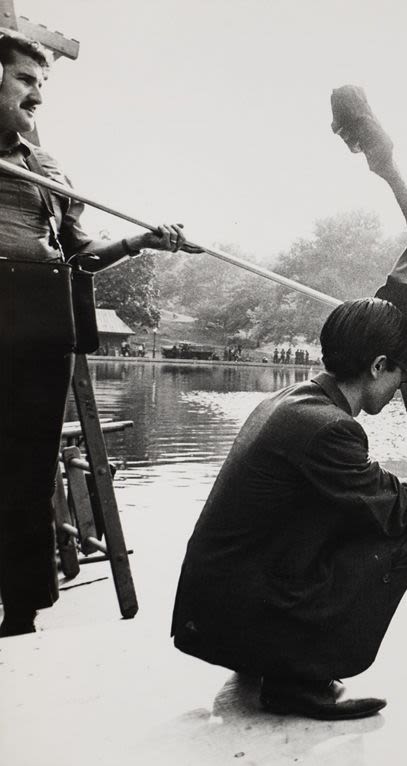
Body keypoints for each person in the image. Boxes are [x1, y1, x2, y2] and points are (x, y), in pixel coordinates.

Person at [171, 298, 407, 720]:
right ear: (379, 366)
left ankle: (271, 661)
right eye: (403, 375)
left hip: (213, 617)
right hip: (230, 624)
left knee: (369, 525)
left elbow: (376, 494)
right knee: (400, 549)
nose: (401, 389)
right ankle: (297, 683)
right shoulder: (330, 427)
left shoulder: (296, 402)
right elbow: (397, 510)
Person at [0, 31, 194, 638]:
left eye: (42, 85)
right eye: (25, 80)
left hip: (36, 327)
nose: (38, 96)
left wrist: (140, 241)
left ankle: (22, 612)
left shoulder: (46, 168)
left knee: (29, 470)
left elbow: (80, 253)